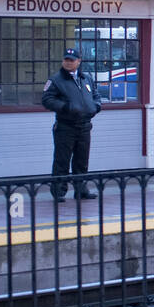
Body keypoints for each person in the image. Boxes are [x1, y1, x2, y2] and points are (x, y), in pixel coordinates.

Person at [41, 47, 102, 201]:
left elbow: (95, 94)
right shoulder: (55, 80)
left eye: (71, 60)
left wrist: (96, 106)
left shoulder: (86, 78)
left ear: (78, 61)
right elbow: (47, 100)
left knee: (81, 160)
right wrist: (65, 107)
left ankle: (81, 190)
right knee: (62, 160)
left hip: (84, 126)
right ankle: (58, 192)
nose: (68, 63)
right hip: (65, 126)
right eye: (66, 60)